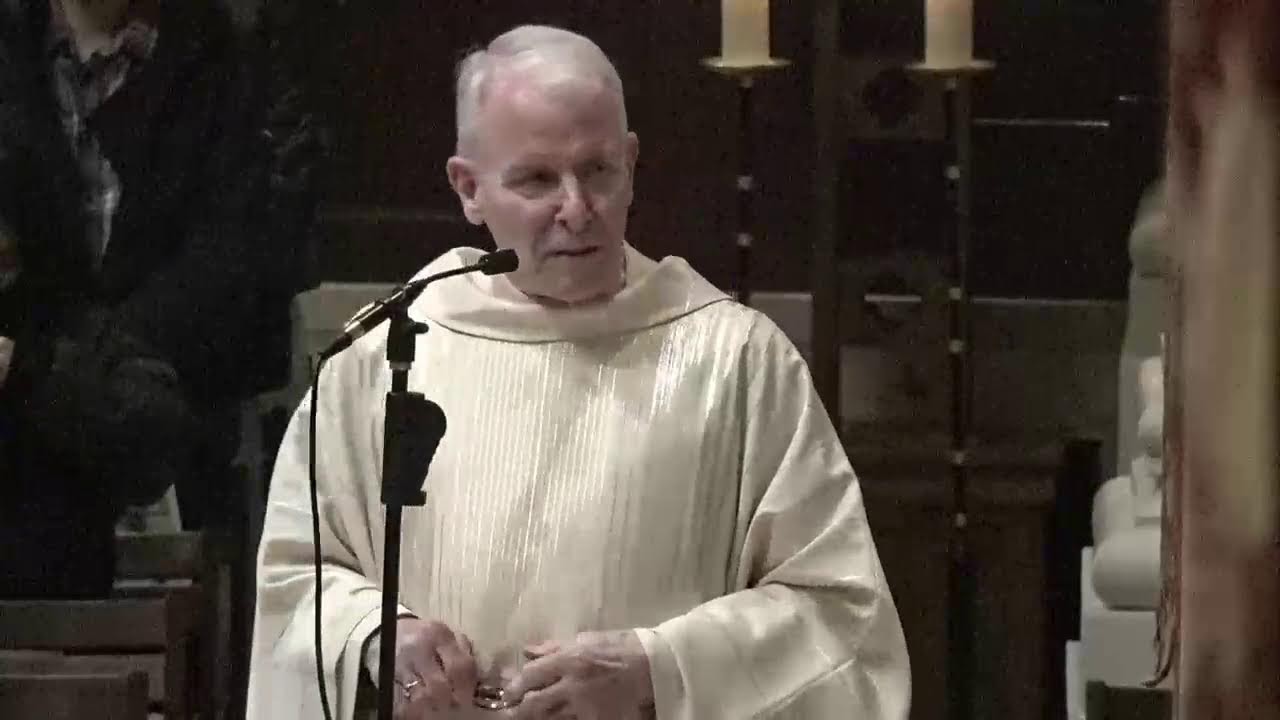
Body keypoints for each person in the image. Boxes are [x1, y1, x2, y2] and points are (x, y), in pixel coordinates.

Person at [247, 25, 910, 720]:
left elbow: (839, 614)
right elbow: (298, 580)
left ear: (632, 164)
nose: (577, 209)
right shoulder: (388, 357)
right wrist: (379, 635)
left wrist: (661, 669)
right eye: (537, 179)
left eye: (598, 171)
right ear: (467, 188)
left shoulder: (737, 362)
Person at [0, 0, 323, 598]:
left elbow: (242, 262)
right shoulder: (13, 43)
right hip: (24, 432)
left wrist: (88, 379)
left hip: (188, 418)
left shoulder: (242, 48)